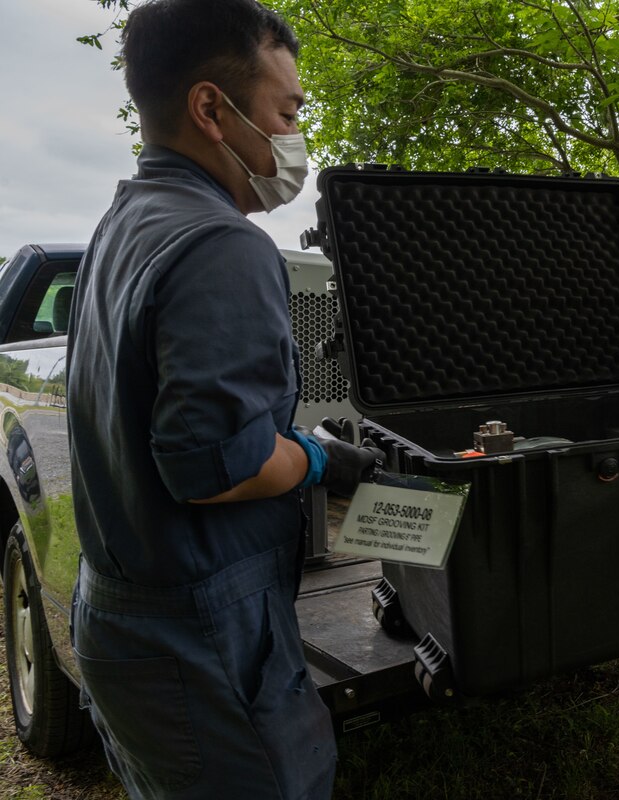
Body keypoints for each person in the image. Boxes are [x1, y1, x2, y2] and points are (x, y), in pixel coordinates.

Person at [66, 1, 380, 797]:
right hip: (203, 635)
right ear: (212, 108)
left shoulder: (125, 222)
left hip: (122, 612)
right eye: (286, 110)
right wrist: (317, 455)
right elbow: (217, 466)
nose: (294, 136)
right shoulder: (224, 245)